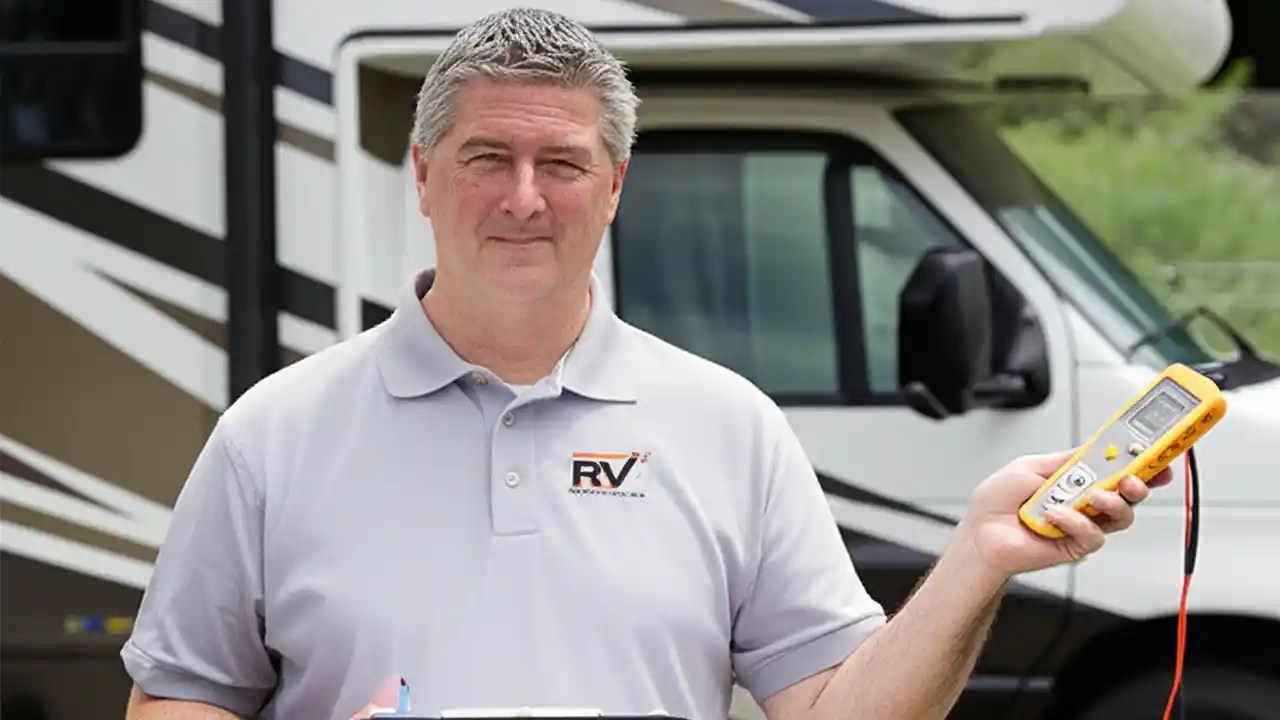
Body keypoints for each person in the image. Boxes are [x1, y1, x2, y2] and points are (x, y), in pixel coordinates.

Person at [121, 7, 1171, 720]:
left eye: (562, 164)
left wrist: (977, 559)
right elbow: (175, 696)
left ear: (614, 185)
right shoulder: (274, 432)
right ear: (424, 175)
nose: (524, 197)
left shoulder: (725, 423)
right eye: (489, 158)